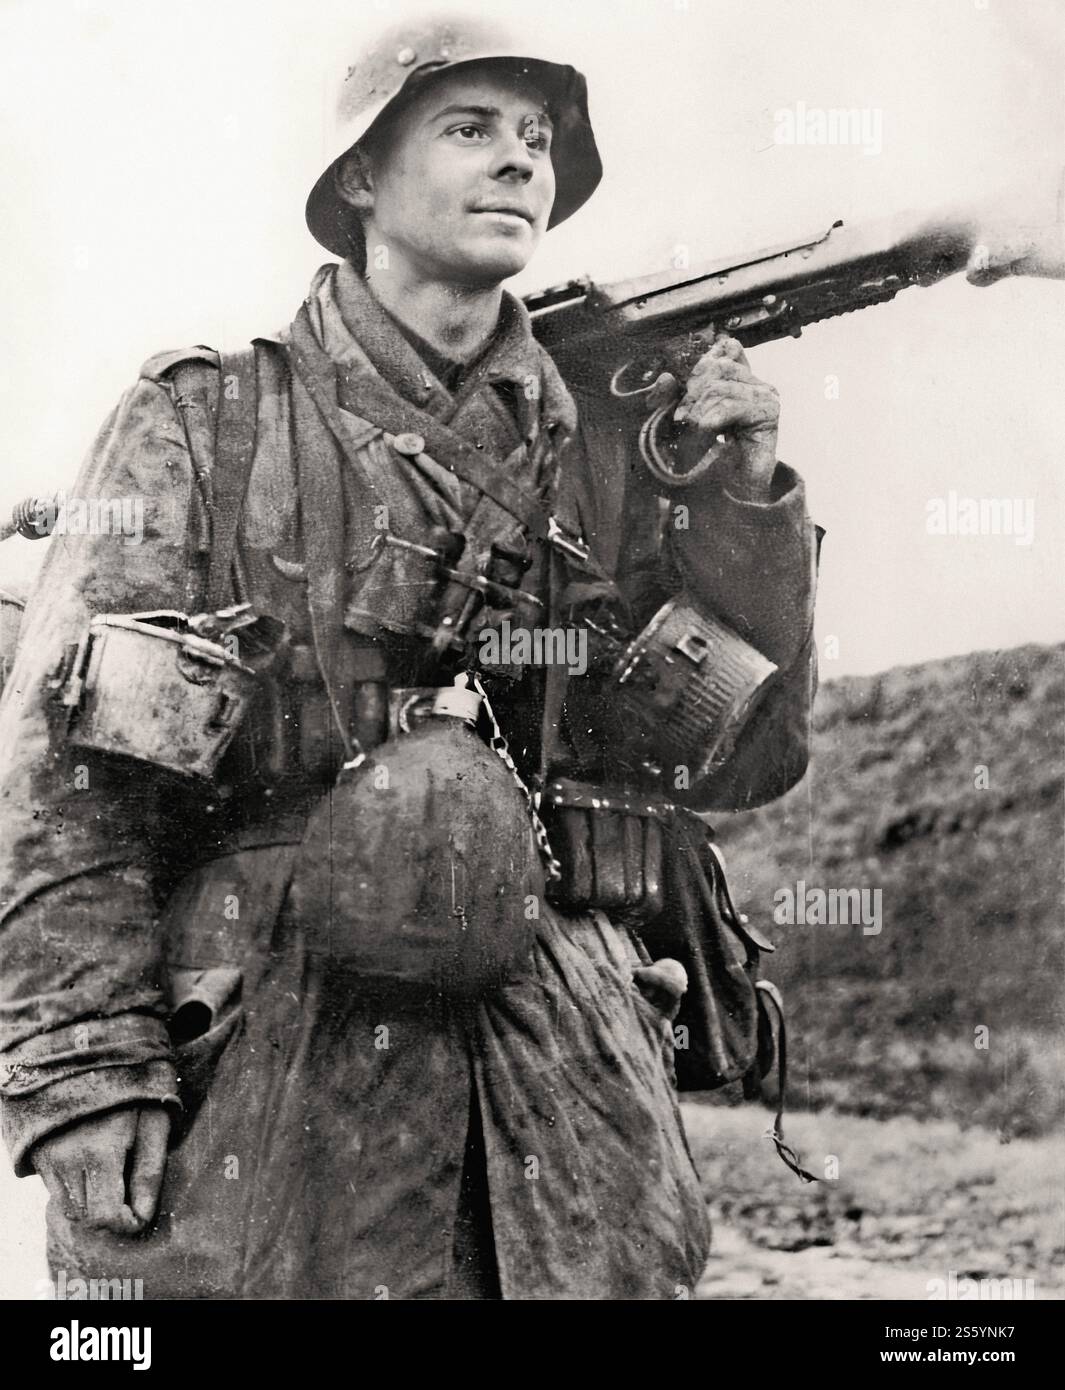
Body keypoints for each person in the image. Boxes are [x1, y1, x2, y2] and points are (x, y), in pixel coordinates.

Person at [0, 16, 819, 1299]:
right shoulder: (208, 419)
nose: (519, 163)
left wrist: (745, 502)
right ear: (361, 180)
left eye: (538, 140)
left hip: (563, 1079)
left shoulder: (614, 442)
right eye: (470, 128)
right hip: (271, 1065)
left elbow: (744, 761)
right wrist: (83, 1067)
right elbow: (62, 784)